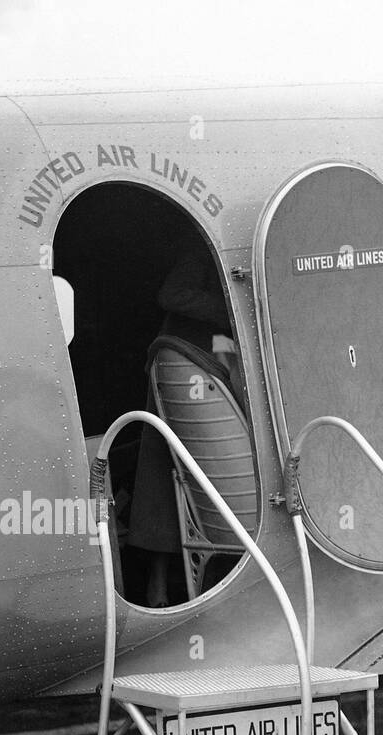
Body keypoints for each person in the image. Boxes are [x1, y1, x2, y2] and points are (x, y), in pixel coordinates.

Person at [126, 241, 242, 606]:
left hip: (216, 351)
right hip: (183, 362)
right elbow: (171, 294)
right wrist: (225, 309)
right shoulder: (200, 251)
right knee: (163, 474)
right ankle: (157, 587)